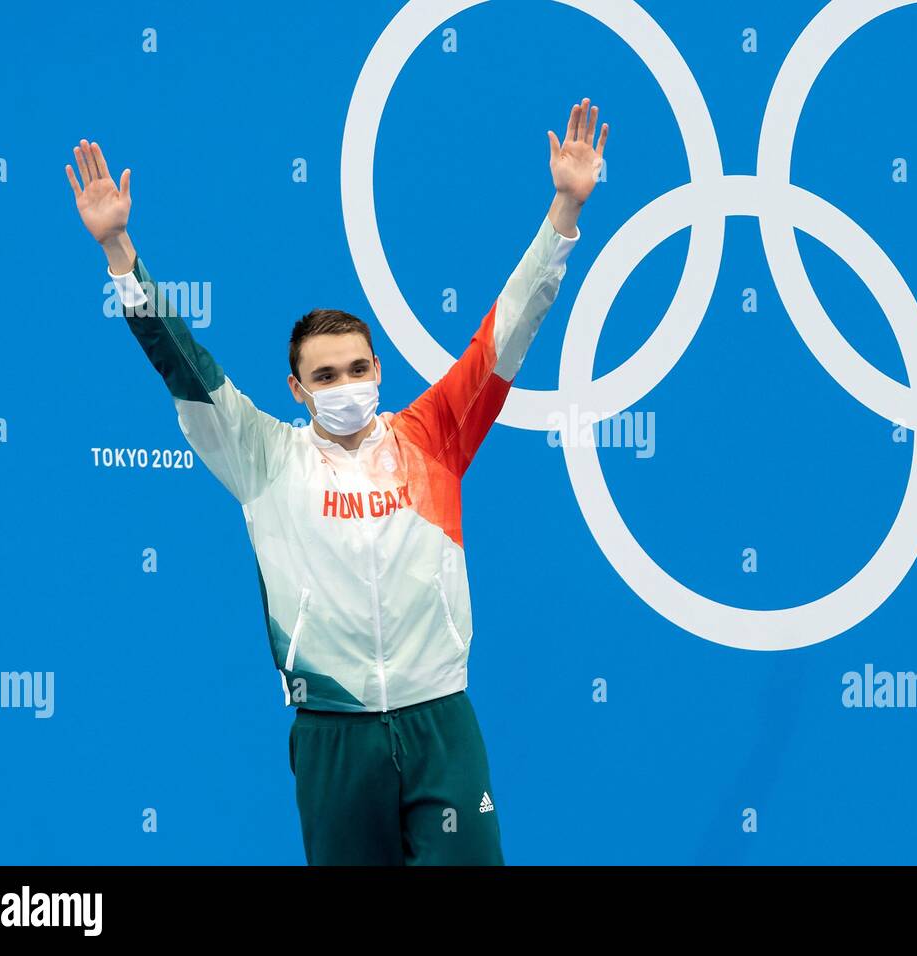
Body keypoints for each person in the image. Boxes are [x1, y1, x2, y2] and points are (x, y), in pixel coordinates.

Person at [65, 99, 609, 865]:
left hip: (440, 723)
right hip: (332, 733)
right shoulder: (263, 458)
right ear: (296, 388)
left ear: (378, 371)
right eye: (325, 375)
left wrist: (564, 210)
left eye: (358, 368)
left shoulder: (435, 437)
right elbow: (183, 361)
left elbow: (508, 327)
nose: (345, 383)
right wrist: (121, 252)